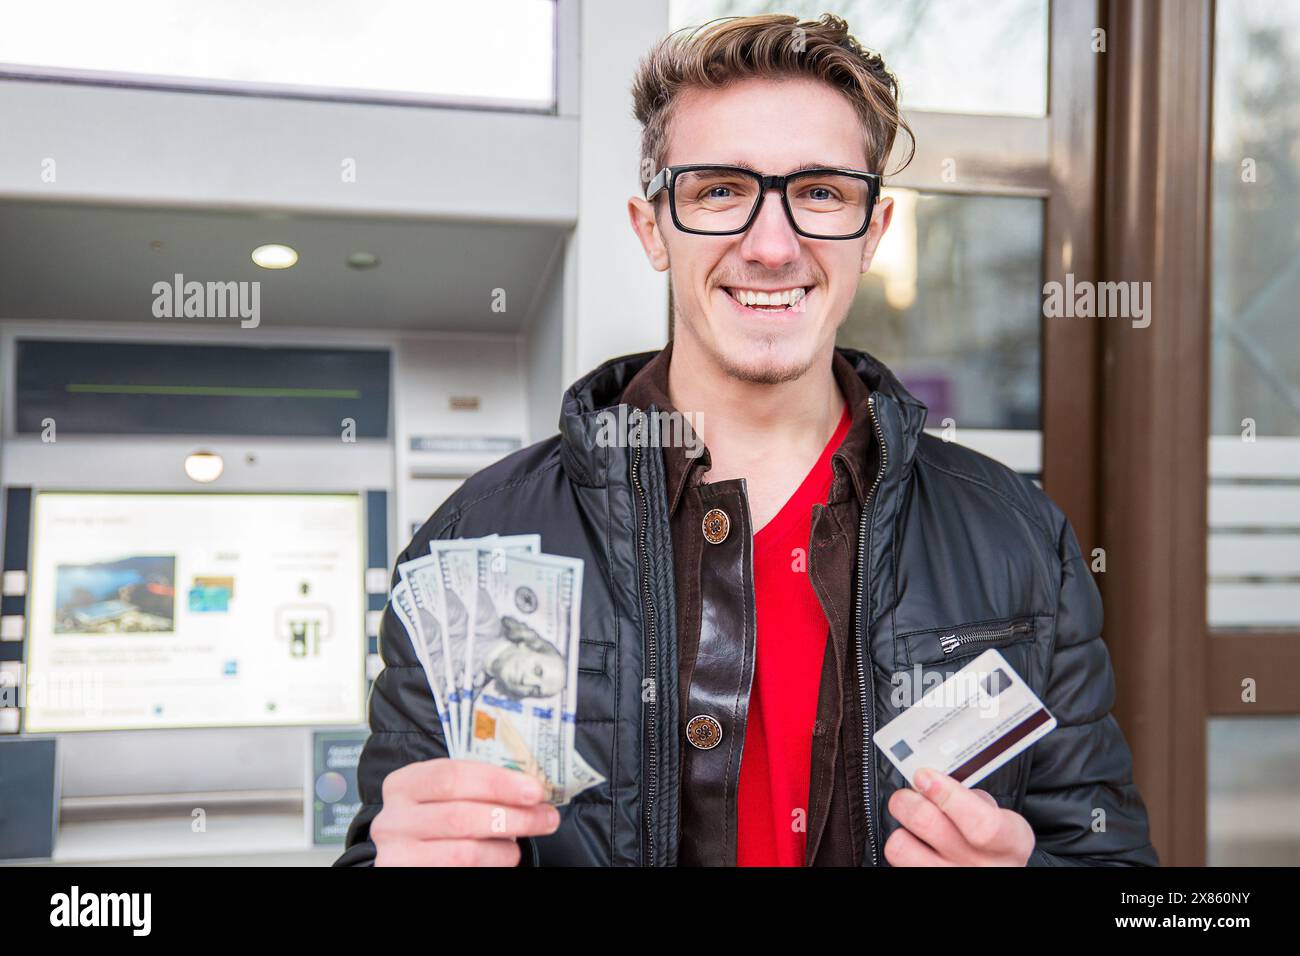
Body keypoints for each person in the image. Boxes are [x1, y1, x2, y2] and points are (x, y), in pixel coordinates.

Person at [336, 13, 1156, 868]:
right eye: (720, 190)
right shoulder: (476, 544)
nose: (772, 245)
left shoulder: (1019, 542)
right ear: (652, 228)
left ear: (873, 233)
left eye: (822, 192)